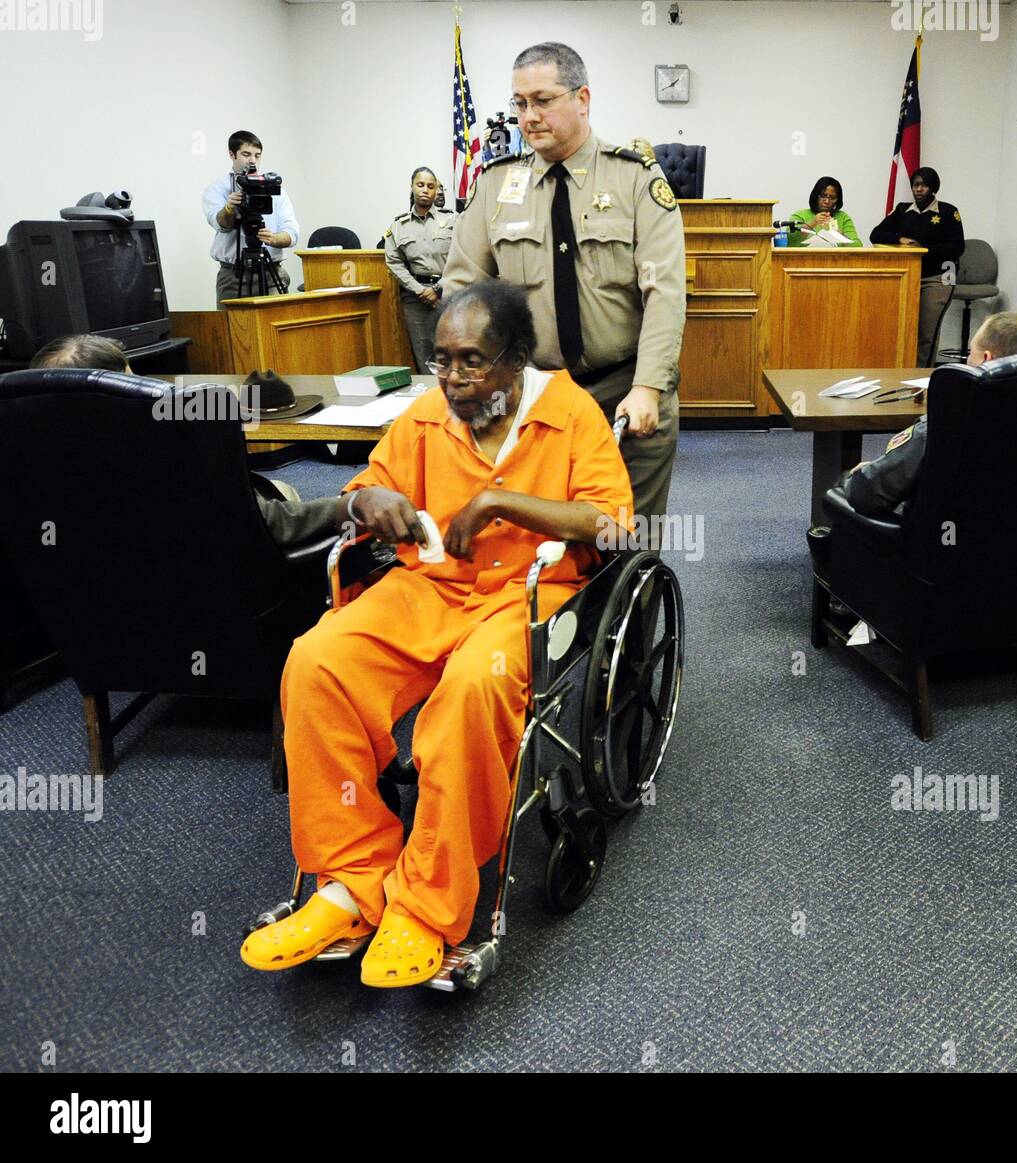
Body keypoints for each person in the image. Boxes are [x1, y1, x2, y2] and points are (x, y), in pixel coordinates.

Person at [239, 282, 633, 988]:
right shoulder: (428, 415)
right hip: (430, 586)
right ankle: (351, 884)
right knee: (315, 661)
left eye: (471, 361)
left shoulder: (571, 414)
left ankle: (427, 904)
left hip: (525, 596)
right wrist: (365, 499)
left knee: (470, 693)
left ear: (516, 361)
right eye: (441, 359)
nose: (451, 377)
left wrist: (500, 501)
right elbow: (368, 484)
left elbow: (613, 525)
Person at [439, 41, 686, 527]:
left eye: (544, 100)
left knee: (627, 540)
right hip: (535, 398)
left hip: (625, 391)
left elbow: (665, 293)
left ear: (583, 99)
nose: (529, 116)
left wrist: (648, 388)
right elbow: (461, 292)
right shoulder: (494, 184)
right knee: (544, 541)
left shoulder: (634, 179)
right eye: (520, 103)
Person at [29, 334, 341, 548]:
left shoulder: (31, 466)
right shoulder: (177, 457)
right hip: (217, 601)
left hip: (91, 620)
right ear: (122, 387)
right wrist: (351, 506)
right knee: (285, 492)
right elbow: (271, 524)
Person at [842, 312, 1017, 516]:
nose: (967, 359)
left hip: (950, 541)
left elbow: (865, 496)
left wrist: (865, 474)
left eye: (970, 353)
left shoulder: (942, 427)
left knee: (849, 484)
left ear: (987, 360)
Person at [870, 167, 966, 365]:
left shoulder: (948, 212)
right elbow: (876, 234)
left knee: (925, 332)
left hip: (939, 277)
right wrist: (900, 238)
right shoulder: (903, 210)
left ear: (933, 188)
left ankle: (921, 377)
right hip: (907, 277)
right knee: (901, 329)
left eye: (924, 185)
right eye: (916, 185)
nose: (919, 189)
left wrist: (924, 249)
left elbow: (957, 247)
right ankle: (900, 372)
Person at [201, 130, 301, 307]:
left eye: (257, 155)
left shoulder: (275, 190)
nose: (253, 160)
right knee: (231, 330)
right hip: (234, 275)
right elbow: (220, 224)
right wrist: (229, 208)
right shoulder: (218, 189)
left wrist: (274, 239)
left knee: (274, 330)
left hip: (271, 273)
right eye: (246, 154)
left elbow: (292, 233)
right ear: (232, 155)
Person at [383, 167, 458, 369]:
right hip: (416, 300)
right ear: (412, 187)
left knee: (454, 349)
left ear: (436, 191)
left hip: (449, 293)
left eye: (431, 186)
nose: (425, 190)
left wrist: (437, 289)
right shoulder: (399, 226)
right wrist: (420, 290)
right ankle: (430, 397)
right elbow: (394, 262)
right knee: (423, 354)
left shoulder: (453, 220)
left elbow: (462, 256)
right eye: (420, 185)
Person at [785, 177, 863, 248]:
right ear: (815, 196)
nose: (827, 201)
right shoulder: (800, 215)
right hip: (804, 261)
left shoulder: (843, 217)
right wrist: (811, 224)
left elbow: (858, 246)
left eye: (832, 198)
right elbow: (788, 243)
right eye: (823, 196)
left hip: (836, 261)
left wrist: (841, 236)